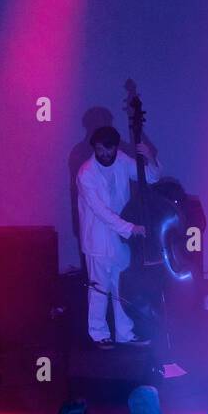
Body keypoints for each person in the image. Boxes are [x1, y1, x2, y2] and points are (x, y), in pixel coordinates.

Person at [75, 125, 159, 348]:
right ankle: (98, 334)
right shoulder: (86, 174)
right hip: (98, 240)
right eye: (99, 149)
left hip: (120, 240)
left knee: (121, 288)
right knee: (99, 290)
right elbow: (100, 211)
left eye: (108, 149)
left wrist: (149, 156)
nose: (104, 154)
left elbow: (150, 178)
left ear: (115, 147)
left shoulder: (122, 160)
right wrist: (131, 228)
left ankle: (125, 333)